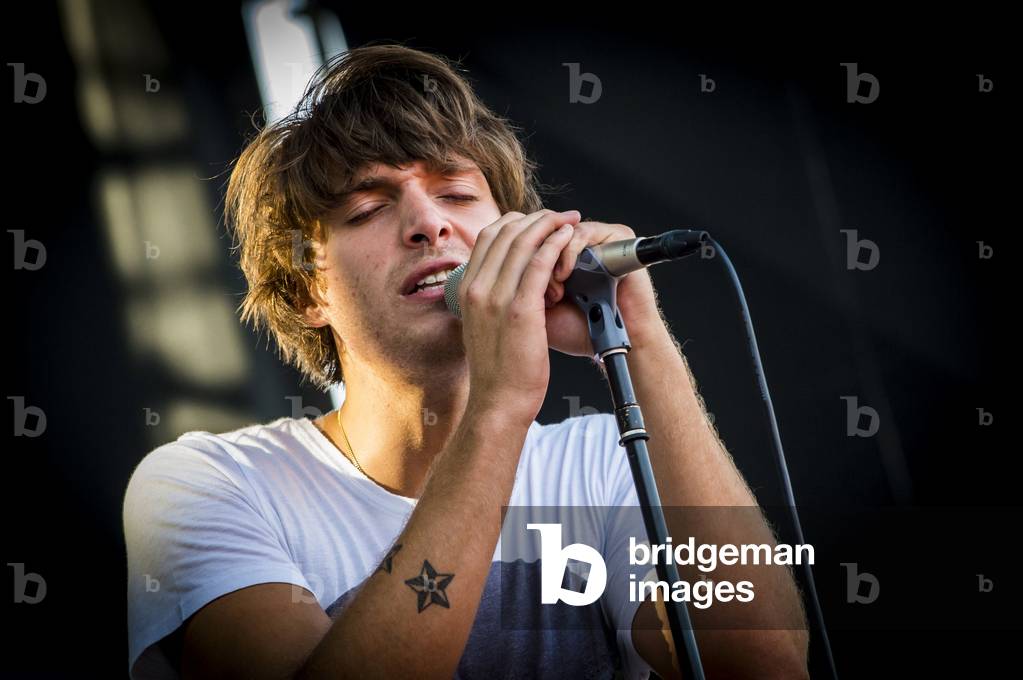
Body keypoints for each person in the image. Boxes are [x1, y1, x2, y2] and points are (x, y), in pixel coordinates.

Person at [123, 43, 809, 679]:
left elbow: (765, 663)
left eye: (456, 194)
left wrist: (641, 339)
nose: (429, 223)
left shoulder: (601, 461)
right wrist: (499, 408)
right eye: (368, 209)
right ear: (308, 291)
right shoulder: (210, 485)